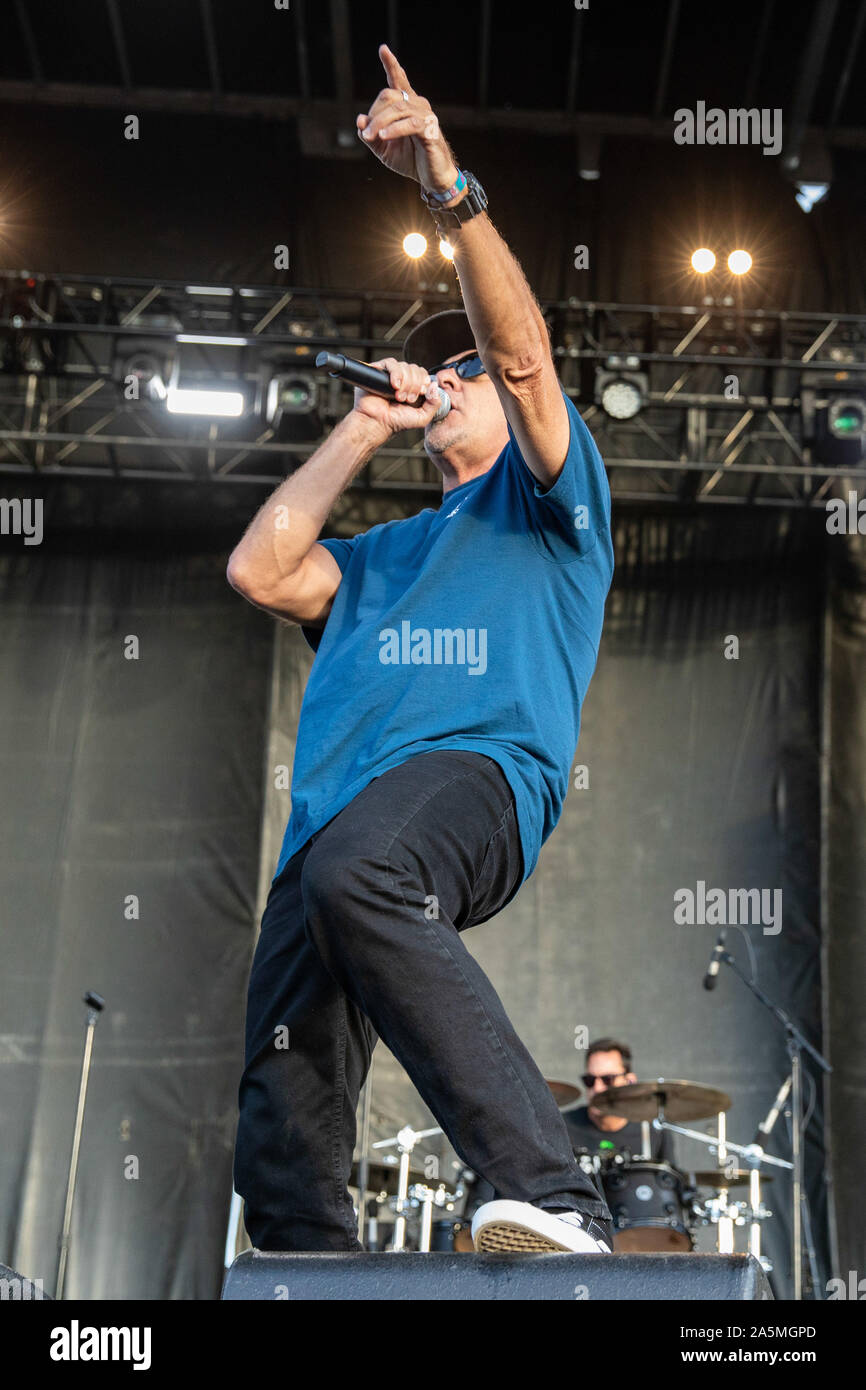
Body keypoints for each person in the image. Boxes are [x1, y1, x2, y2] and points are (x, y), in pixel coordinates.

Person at [228, 44, 615, 1256]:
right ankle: (304, 1279)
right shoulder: (384, 551)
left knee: (363, 871)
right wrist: (358, 426)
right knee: (280, 1112)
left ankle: (552, 1195)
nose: (448, 379)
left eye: (463, 373)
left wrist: (441, 177)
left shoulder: (550, 503)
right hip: (330, 834)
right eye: (433, 368)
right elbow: (261, 568)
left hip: (476, 778)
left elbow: (520, 358)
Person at [565, 1037, 675, 1164]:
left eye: (608, 1079)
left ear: (630, 1081)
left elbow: (670, 1181)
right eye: (590, 1080)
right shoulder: (564, 1127)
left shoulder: (653, 1130)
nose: (597, 1088)